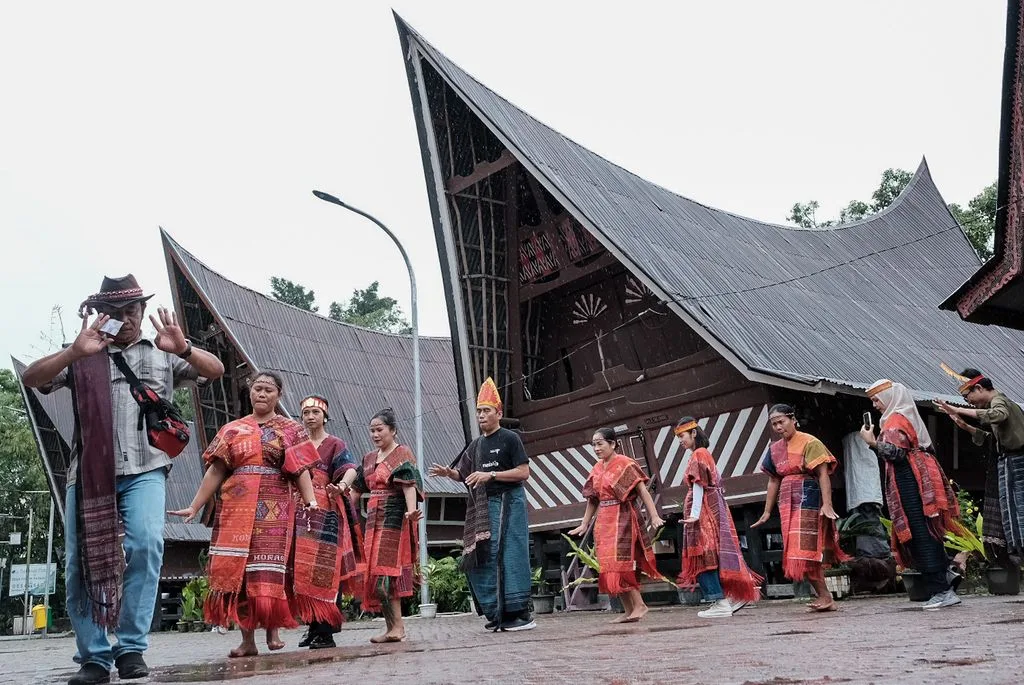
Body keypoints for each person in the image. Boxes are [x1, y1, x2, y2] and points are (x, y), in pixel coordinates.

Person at [22, 275, 225, 685]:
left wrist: (183, 346)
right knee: (79, 564)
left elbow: (216, 370)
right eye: (114, 312)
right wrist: (70, 354)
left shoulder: (162, 352)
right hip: (89, 474)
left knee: (147, 545)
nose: (124, 319)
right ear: (101, 315)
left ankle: (130, 648)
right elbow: (32, 378)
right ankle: (94, 657)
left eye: (130, 311)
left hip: (146, 469)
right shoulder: (83, 352)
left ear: (142, 311)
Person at [168, 372, 321, 658]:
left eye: (268, 390)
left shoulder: (291, 430)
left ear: (279, 395)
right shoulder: (232, 430)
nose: (261, 394)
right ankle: (247, 641)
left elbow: (301, 469)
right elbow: (216, 470)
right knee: (238, 575)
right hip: (235, 510)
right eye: (257, 389)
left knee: (268, 571)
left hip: (274, 509)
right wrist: (195, 505)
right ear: (250, 393)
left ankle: (272, 629)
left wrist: (311, 501)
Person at [429, 378, 535, 632]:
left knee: (509, 555)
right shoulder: (476, 445)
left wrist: (493, 476)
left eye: (487, 410)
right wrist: (449, 474)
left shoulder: (510, 438)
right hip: (484, 509)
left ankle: (519, 613)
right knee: (482, 556)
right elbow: (466, 476)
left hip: (509, 502)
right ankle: (496, 611)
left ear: (499, 413)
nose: (481, 415)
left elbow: (523, 472)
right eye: (478, 411)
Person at [861, 380, 963, 610]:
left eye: (877, 400)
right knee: (927, 530)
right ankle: (946, 576)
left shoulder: (895, 420)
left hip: (910, 480)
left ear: (888, 397)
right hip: (919, 476)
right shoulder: (906, 416)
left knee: (920, 532)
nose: (875, 405)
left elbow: (896, 454)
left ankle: (941, 590)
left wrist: (872, 443)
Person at [334, 409, 423, 643]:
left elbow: (409, 484)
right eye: (372, 430)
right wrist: (345, 512)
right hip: (373, 520)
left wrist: (411, 510)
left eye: (380, 429)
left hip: (395, 519)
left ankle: (398, 627)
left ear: (392, 430)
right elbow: (357, 489)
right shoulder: (369, 458)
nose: (375, 434)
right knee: (374, 573)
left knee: (386, 572)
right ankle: (390, 627)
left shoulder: (401, 453)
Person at [752, 403, 848, 612]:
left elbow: (823, 474)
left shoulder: (810, 442)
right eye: (774, 424)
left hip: (808, 496)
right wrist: (767, 511)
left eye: (781, 422)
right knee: (795, 551)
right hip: (787, 500)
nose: (778, 427)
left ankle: (825, 596)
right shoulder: (774, 449)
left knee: (805, 550)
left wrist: (827, 504)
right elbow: (773, 481)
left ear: (792, 419)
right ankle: (824, 596)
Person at [567, 427, 666, 623]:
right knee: (608, 565)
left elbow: (643, 491)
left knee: (621, 562)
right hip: (604, 520)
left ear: (612, 444)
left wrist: (653, 515)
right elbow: (593, 499)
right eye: (594, 444)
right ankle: (629, 610)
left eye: (600, 443)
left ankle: (640, 605)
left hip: (624, 517)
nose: (596, 448)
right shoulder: (596, 469)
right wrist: (584, 523)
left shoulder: (626, 464)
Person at [674, 417, 763, 618]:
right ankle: (733, 596)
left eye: (682, 436)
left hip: (704, 510)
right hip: (713, 507)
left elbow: (698, 485)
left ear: (694, 433)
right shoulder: (705, 454)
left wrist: (695, 514)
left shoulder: (698, 454)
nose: (680, 440)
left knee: (704, 555)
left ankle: (719, 601)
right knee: (716, 553)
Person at [292, 395, 361, 650]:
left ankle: (325, 630)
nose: (310, 416)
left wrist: (342, 485)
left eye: (315, 412)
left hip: (327, 510)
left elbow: (352, 468)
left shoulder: (335, 443)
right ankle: (312, 626)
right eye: (306, 412)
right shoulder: (297, 443)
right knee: (304, 570)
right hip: (302, 513)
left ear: (325, 416)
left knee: (325, 570)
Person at [936, 368, 1024, 558]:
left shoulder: (999, 401)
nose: (969, 402)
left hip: (1017, 459)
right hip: (1008, 459)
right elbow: (991, 438)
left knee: (1017, 506)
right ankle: (1018, 547)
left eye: (968, 397)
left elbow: (999, 414)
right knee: (1010, 506)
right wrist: (965, 425)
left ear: (978, 388)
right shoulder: (996, 403)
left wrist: (958, 410)